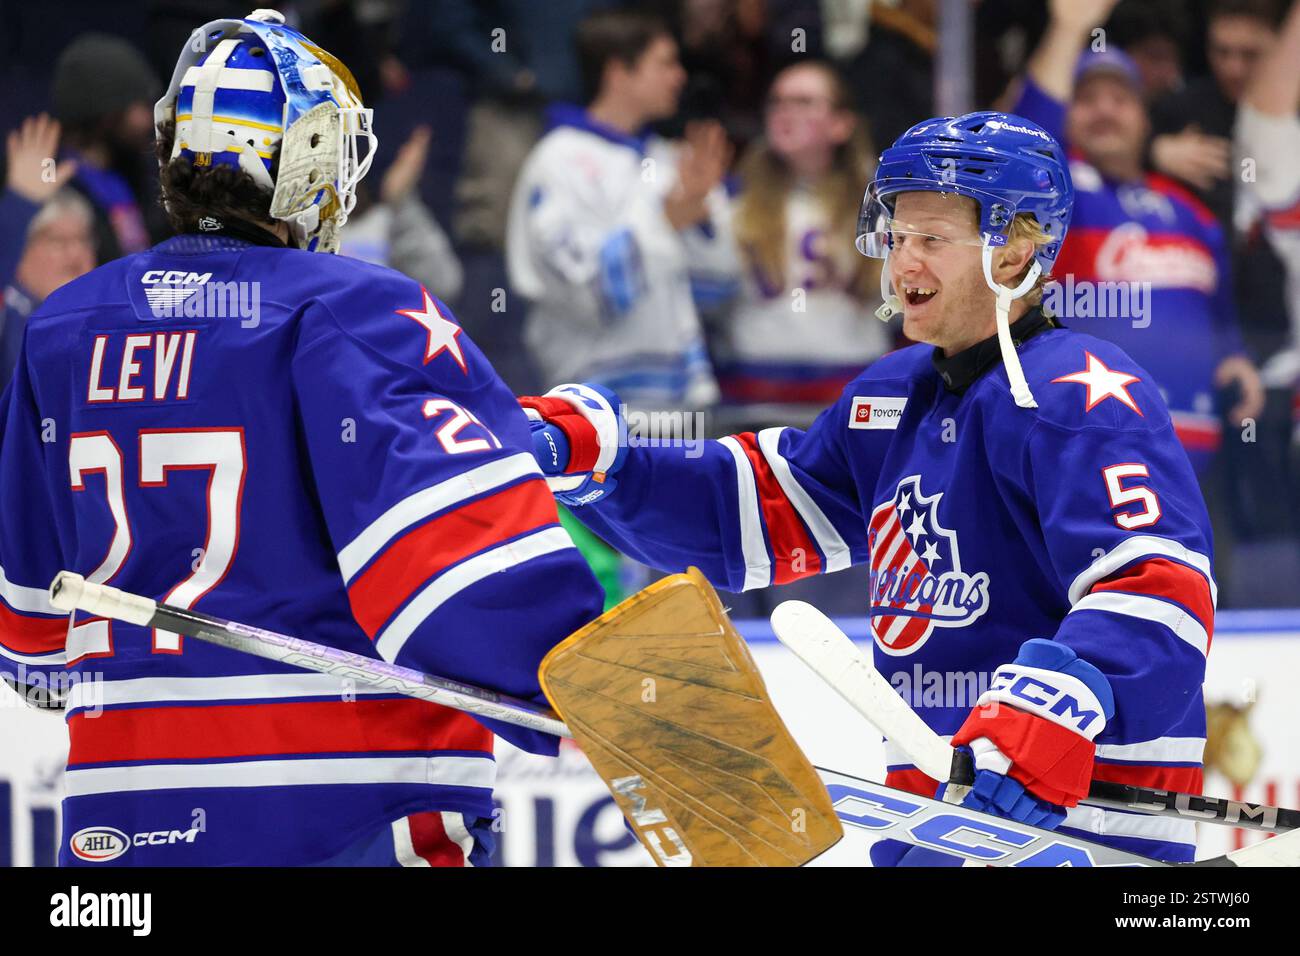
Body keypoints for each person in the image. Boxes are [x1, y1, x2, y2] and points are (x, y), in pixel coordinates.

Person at [521, 111, 1216, 865]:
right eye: (896, 237)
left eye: (932, 241)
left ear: (1015, 249)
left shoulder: (1082, 395)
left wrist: (1056, 705)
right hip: (932, 825)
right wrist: (609, 465)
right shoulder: (892, 398)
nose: (901, 265)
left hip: (1085, 828)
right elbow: (755, 511)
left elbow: (1160, 589)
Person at [0, 9, 605, 867]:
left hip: (120, 834)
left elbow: (31, 649)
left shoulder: (63, 329)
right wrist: (615, 687)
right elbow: (470, 579)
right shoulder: (355, 308)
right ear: (306, 160)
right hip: (344, 815)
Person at [1012, 0, 1263, 474]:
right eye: (1087, 99)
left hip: (1193, 450)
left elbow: (1220, 303)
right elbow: (1027, 146)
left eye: (1121, 99)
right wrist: (1068, 30)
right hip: (1086, 441)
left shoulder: (1190, 212)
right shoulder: (1059, 197)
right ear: (1067, 116)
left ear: (1146, 120)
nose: (1105, 109)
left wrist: (1234, 356)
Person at [506, 8, 739, 416]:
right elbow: (586, 290)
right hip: (589, 405)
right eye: (665, 63)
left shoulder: (667, 160)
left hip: (679, 405)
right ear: (618, 71)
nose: (679, 76)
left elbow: (720, 288)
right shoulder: (560, 159)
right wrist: (665, 221)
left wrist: (699, 220)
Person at [719, 60, 885, 433]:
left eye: (804, 101)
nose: (785, 112)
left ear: (841, 124)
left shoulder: (881, 205)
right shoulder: (729, 203)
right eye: (777, 102)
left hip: (851, 406)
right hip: (752, 408)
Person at [0, 189, 96, 388]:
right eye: (59, 241)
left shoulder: (107, 317)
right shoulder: (7, 319)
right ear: (20, 249)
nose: (76, 253)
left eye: (84, 240)